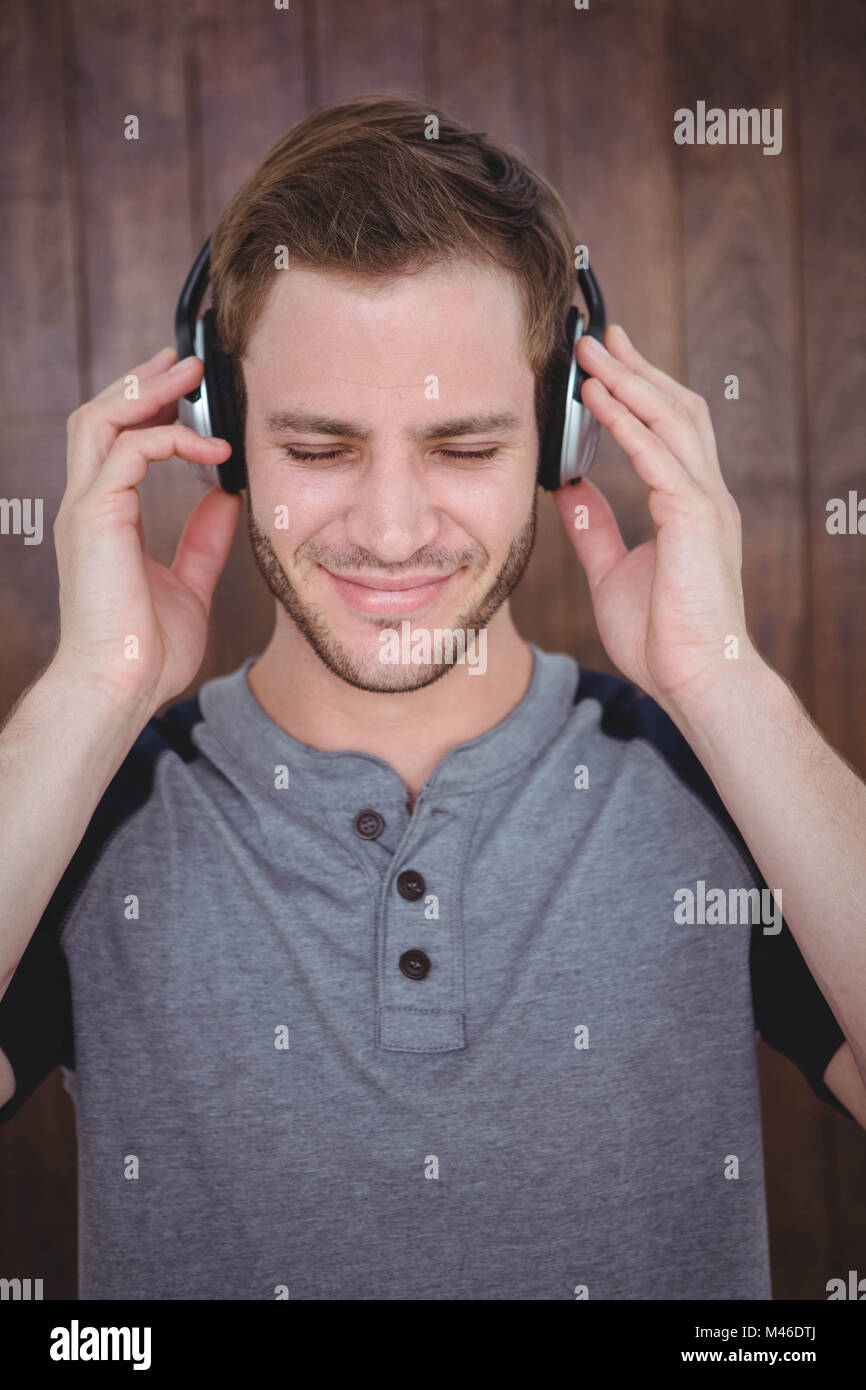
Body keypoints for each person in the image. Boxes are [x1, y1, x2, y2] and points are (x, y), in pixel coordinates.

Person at [1, 95, 864, 1301]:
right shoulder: (88, 802)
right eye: (317, 449)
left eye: (462, 448)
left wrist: (721, 683)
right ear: (223, 432)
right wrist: (87, 697)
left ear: (565, 434)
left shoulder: (715, 783)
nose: (391, 529)